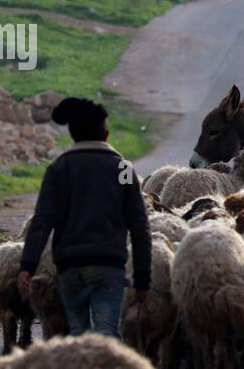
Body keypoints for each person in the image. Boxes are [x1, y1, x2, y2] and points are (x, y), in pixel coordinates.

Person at [18, 97, 150, 339]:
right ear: (105, 133)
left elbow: (42, 221)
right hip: (109, 266)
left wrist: (27, 266)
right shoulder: (121, 169)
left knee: (78, 334)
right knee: (107, 333)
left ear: (73, 134)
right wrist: (142, 278)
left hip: (70, 267)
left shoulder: (60, 168)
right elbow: (140, 227)